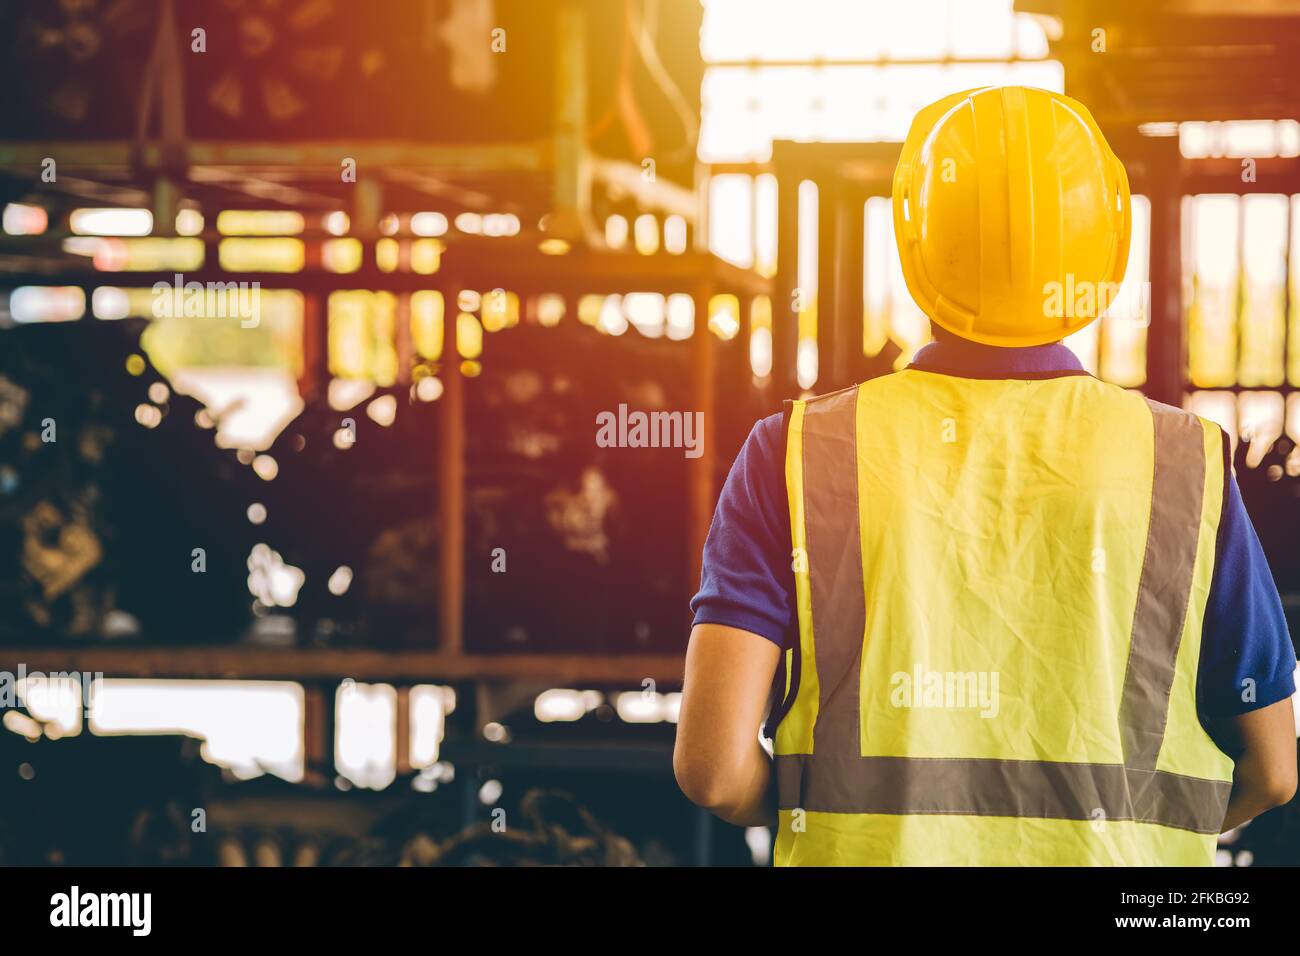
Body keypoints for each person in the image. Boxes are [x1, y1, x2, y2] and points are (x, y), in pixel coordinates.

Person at [673, 86, 1298, 865]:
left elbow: (711, 769)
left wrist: (813, 809)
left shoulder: (796, 451)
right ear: (1104, 251)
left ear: (916, 242)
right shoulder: (1184, 462)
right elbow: (1272, 772)